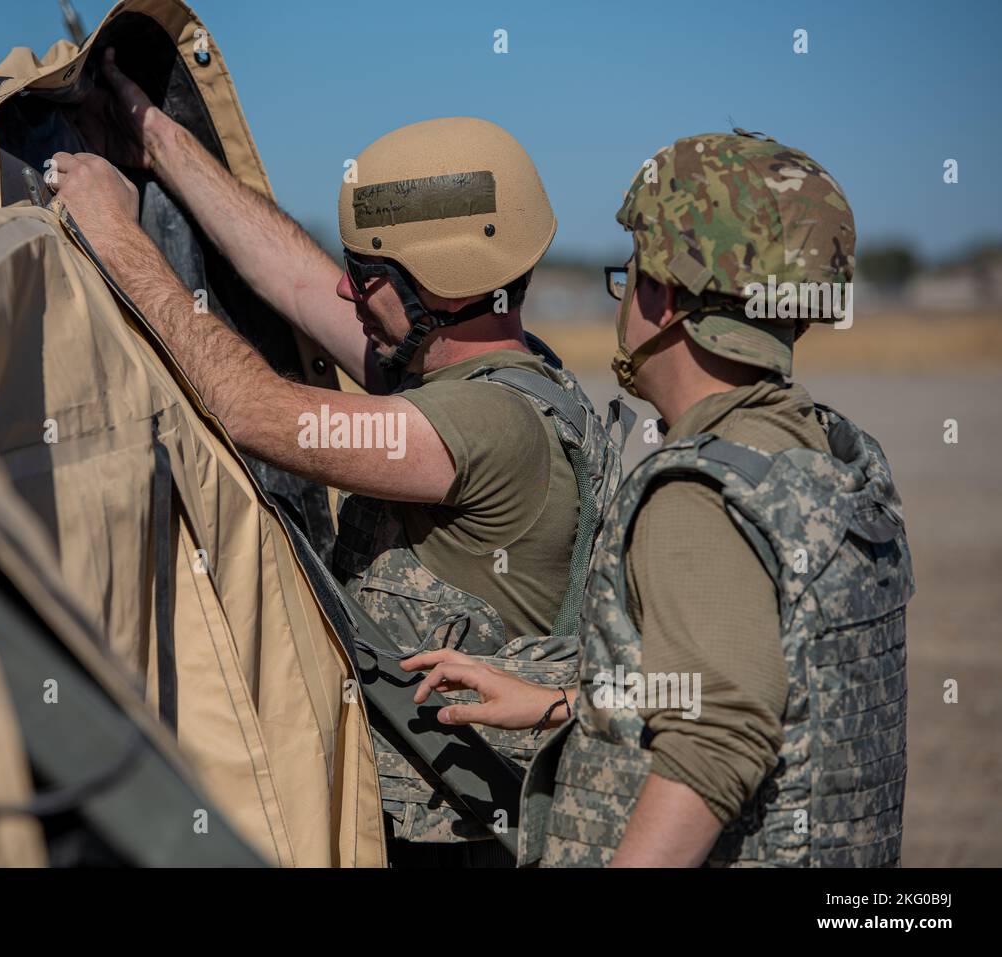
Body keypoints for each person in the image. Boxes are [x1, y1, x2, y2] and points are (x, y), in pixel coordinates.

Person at [51, 49, 621, 866]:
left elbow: (255, 412)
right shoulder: (495, 367)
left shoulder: (477, 426)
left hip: (453, 840)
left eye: (369, 275)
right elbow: (294, 282)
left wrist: (110, 231)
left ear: (436, 289)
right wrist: (159, 142)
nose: (350, 293)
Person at [404, 130, 914, 867]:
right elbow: (772, 689)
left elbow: (716, 740)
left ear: (665, 297)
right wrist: (559, 703)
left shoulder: (700, 492)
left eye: (631, 275)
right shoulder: (835, 460)